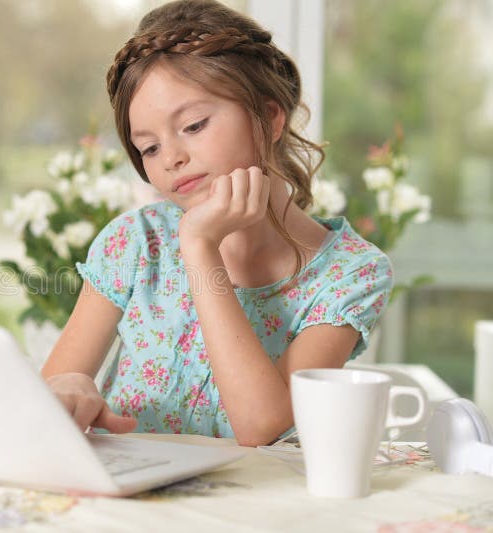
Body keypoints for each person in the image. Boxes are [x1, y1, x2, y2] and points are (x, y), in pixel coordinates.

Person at [41, 0, 393, 447]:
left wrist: (200, 247)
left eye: (193, 125)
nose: (171, 158)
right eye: (148, 148)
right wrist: (68, 390)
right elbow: (46, 401)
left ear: (269, 118)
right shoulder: (134, 243)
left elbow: (261, 426)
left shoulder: (350, 273)